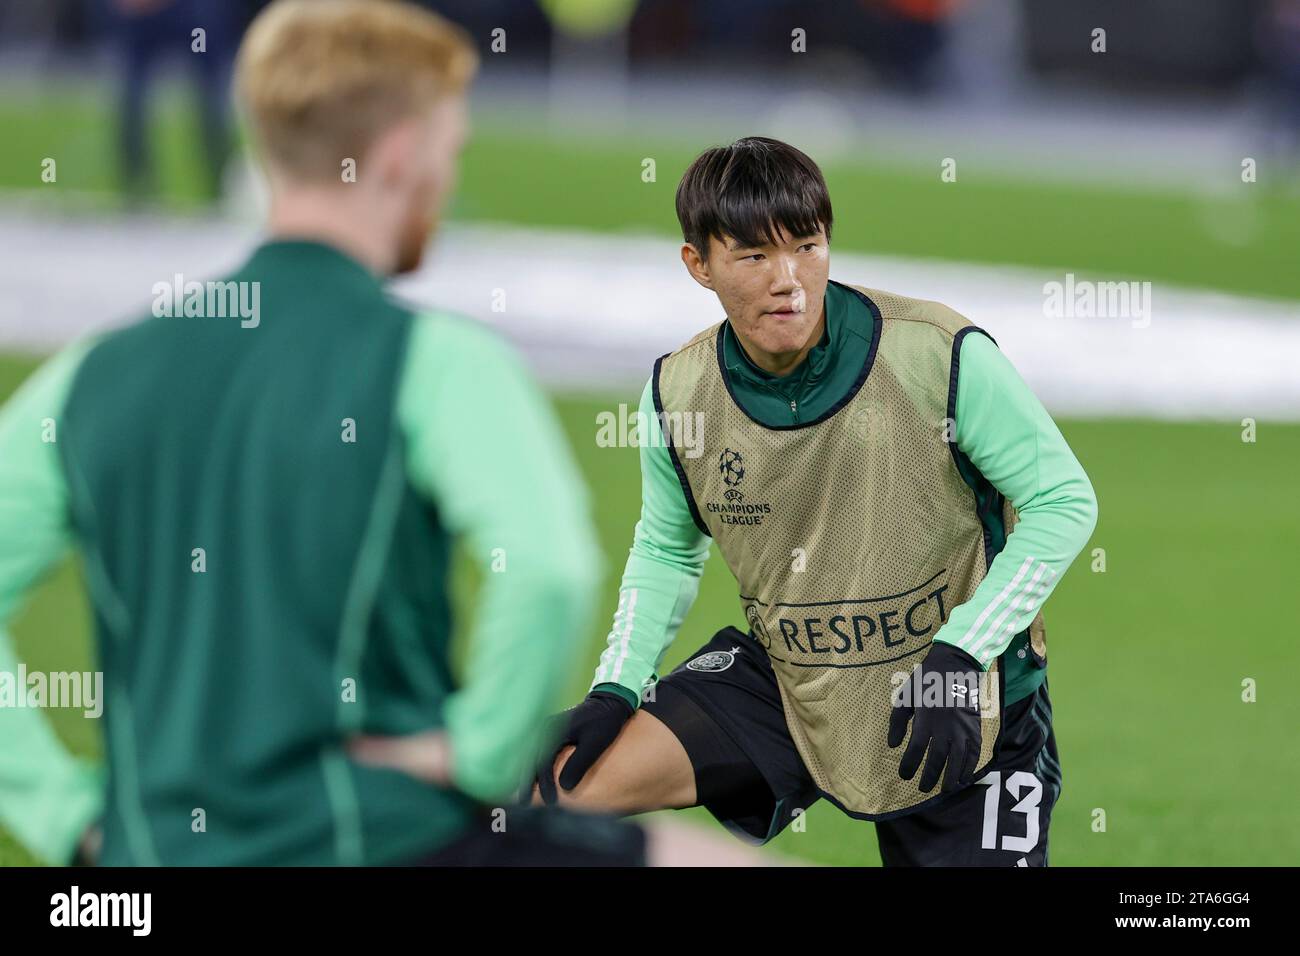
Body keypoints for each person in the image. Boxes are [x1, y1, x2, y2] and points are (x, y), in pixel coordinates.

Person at [0, 0, 642, 867]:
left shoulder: (93, 372)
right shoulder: (439, 359)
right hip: (389, 837)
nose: (447, 187)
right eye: (450, 154)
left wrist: (56, 811)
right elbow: (548, 569)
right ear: (401, 154)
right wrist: (482, 755)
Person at [533, 136, 1098, 866]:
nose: (789, 280)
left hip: (956, 693)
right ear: (697, 264)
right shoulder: (679, 393)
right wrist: (615, 688)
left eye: (807, 246)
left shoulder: (939, 353)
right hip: (792, 681)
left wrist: (966, 649)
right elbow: (668, 548)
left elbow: (1063, 500)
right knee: (555, 790)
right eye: (754, 256)